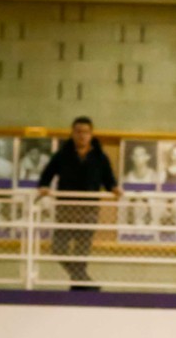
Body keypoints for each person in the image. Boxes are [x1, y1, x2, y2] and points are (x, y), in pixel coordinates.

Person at [37, 115, 118, 289]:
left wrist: (114, 188)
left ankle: (78, 282)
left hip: (88, 209)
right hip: (66, 208)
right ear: (72, 133)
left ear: (91, 134)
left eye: (86, 132)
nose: (82, 136)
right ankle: (82, 280)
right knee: (58, 248)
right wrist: (43, 186)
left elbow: (108, 178)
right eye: (78, 132)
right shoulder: (62, 155)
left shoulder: (100, 157)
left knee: (82, 249)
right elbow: (47, 173)